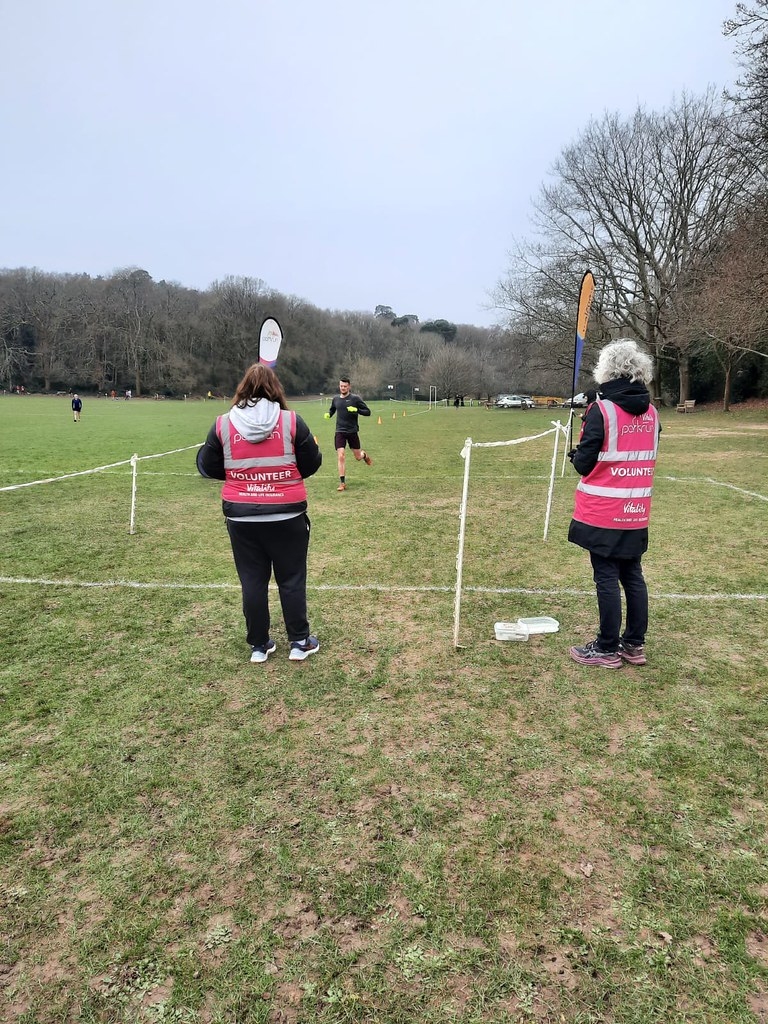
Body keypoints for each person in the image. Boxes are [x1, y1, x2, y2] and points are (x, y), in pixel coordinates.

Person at [197, 364, 322, 663]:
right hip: (287, 516)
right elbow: (312, 462)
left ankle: (258, 644)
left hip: (241, 518)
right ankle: (299, 641)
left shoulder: (223, 424)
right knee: (291, 578)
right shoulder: (292, 421)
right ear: (275, 387)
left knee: (252, 580)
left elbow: (206, 465)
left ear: (243, 388)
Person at [567, 339, 661, 669]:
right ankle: (634, 645)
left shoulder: (601, 410)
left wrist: (576, 454)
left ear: (606, 371)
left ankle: (607, 647)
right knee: (632, 575)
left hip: (604, 511)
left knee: (606, 577)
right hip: (636, 510)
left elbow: (584, 464)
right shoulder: (652, 412)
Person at [323, 376, 372, 491]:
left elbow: (368, 412)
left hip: (352, 431)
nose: (343, 388)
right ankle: (342, 483)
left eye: (345, 386)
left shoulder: (355, 399)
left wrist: (357, 410)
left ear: (349, 386)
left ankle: (364, 455)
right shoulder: (335, 399)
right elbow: (332, 409)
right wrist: (329, 414)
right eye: (341, 386)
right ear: (339, 386)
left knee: (358, 457)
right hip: (340, 431)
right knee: (341, 455)